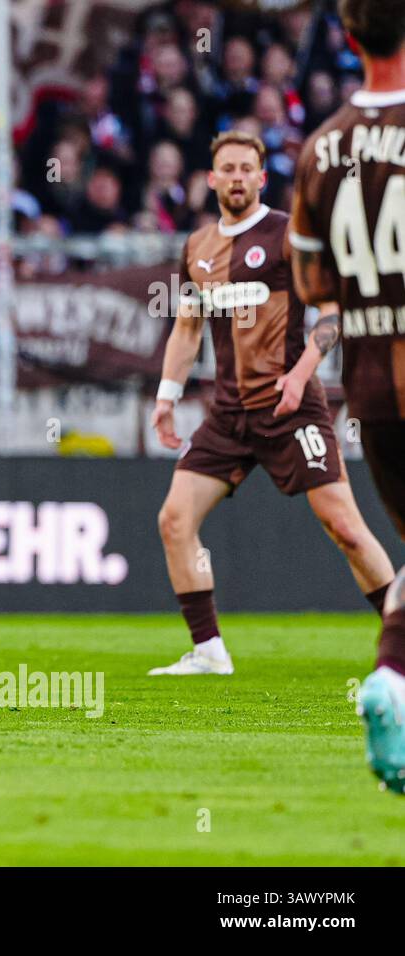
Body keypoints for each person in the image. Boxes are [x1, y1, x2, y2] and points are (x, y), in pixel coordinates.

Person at [149, 129, 395, 676]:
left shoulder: (287, 235)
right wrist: (168, 397)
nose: (236, 178)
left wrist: (300, 374)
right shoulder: (197, 247)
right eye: (227, 169)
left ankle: (398, 643)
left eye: (246, 169)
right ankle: (208, 650)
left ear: (262, 178)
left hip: (291, 409)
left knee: (347, 529)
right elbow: (187, 329)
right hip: (229, 415)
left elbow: (331, 314)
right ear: (211, 179)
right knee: (174, 519)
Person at [287, 0, 405, 793]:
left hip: (371, 389)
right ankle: (392, 680)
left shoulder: (319, 149)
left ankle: (394, 681)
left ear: (349, 34)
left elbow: (315, 294)